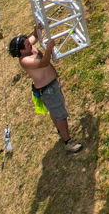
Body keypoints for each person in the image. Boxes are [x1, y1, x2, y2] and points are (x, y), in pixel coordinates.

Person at [8, 24, 83, 152]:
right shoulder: (25, 60)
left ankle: (61, 130)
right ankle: (68, 142)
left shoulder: (27, 47)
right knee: (61, 115)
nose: (30, 45)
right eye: (27, 45)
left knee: (55, 112)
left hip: (51, 87)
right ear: (21, 51)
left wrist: (37, 27)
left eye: (28, 42)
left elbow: (35, 36)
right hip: (48, 91)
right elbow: (44, 63)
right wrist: (49, 49)